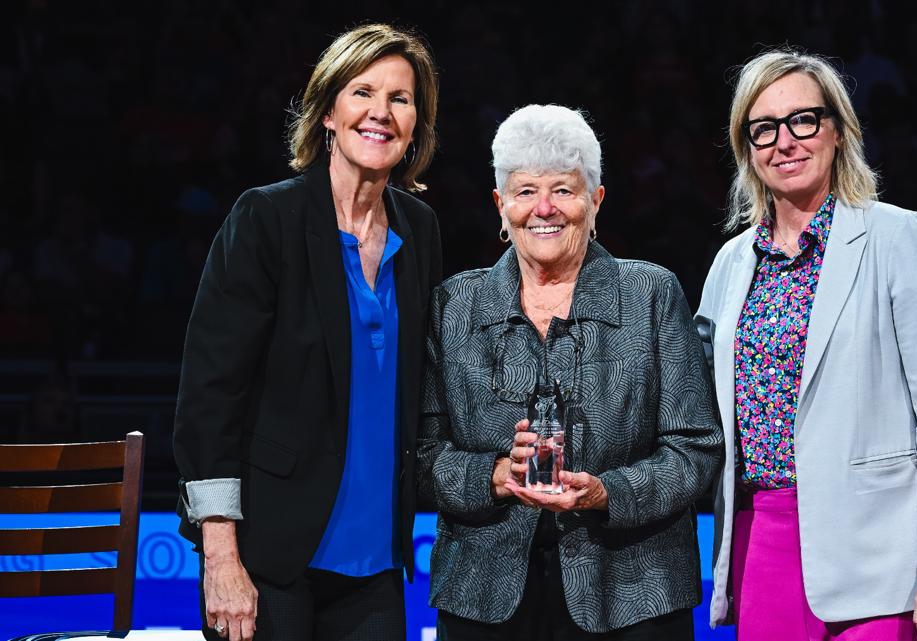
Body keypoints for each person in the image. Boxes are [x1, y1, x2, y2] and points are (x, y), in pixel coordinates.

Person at [696, 50, 917, 641]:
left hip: (880, 551)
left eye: (804, 119)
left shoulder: (897, 237)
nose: (785, 141)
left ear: (837, 130)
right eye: (764, 128)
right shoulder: (730, 263)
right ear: (746, 147)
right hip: (762, 540)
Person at [172, 23, 442, 641]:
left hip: (377, 562)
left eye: (401, 100)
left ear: (416, 126)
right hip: (269, 560)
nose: (381, 113)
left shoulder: (420, 229)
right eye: (362, 93)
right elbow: (209, 397)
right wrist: (221, 558)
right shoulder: (267, 219)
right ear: (326, 111)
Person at [418, 104, 723, 640]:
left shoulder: (650, 294)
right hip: (483, 595)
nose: (544, 209)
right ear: (500, 204)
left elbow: (695, 449)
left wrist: (607, 492)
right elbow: (421, 455)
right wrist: (494, 476)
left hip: (634, 597)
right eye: (525, 190)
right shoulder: (453, 306)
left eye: (563, 189)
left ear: (595, 200)